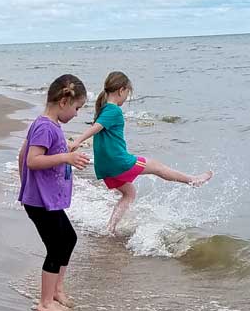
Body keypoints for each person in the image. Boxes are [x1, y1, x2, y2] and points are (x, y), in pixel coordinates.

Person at [70, 71, 213, 235]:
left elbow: (98, 128)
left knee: (129, 194)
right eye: (127, 94)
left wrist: (78, 141)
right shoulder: (113, 110)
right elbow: (97, 127)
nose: (126, 98)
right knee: (158, 167)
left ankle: (110, 228)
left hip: (104, 167)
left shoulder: (103, 109)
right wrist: (77, 141)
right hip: (118, 162)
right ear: (121, 90)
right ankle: (193, 180)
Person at [18, 74, 91, 311]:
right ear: (63, 102)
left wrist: (66, 149)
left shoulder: (48, 125)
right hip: (40, 202)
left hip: (44, 200)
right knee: (56, 246)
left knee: (68, 238)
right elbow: (32, 160)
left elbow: (22, 154)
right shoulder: (45, 127)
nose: (77, 114)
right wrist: (66, 157)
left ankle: (57, 289)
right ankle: (46, 302)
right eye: (77, 108)